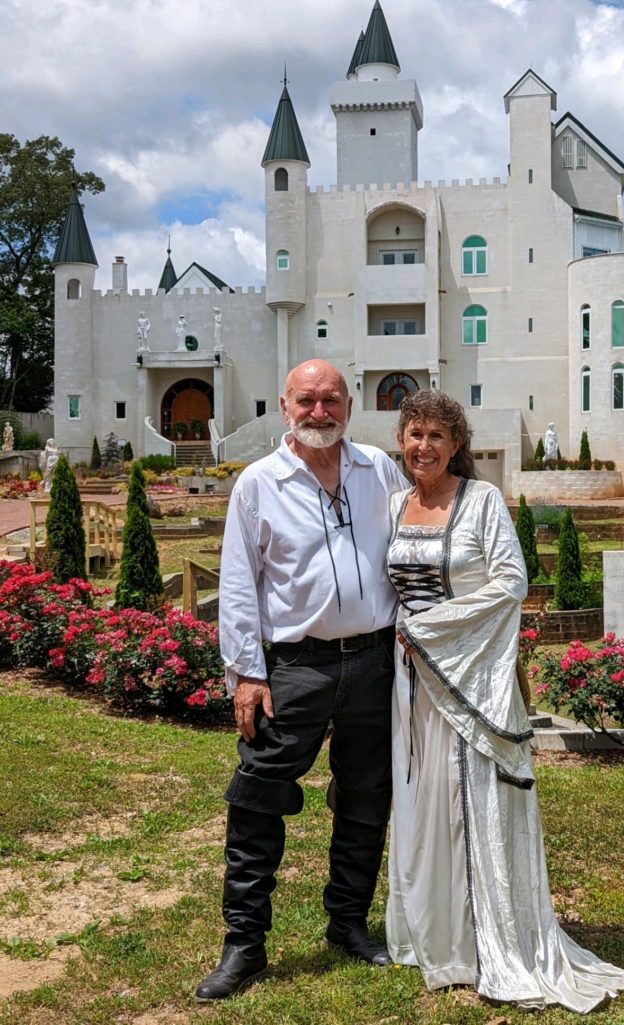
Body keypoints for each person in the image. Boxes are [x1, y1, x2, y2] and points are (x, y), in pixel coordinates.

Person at [385, 390, 624, 1012]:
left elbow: (510, 581)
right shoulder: (394, 506)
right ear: (401, 439)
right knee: (421, 797)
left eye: (437, 435)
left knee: (474, 798)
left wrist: (429, 629)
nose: (424, 446)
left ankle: (486, 940)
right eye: (415, 433)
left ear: (458, 444)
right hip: (409, 681)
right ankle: (432, 934)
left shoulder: (483, 502)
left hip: (468, 678)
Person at [195, 359, 407, 1002]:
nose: (321, 413)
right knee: (258, 795)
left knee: (366, 796)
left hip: (375, 660)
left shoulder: (380, 469)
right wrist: (246, 673)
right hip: (295, 668)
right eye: (307, 401)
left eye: (332, 400)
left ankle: (347, 924)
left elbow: (410, 548)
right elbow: (238, 584)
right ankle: (245, 944)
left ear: (350, 404)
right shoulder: (259, 482)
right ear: (285, 407)